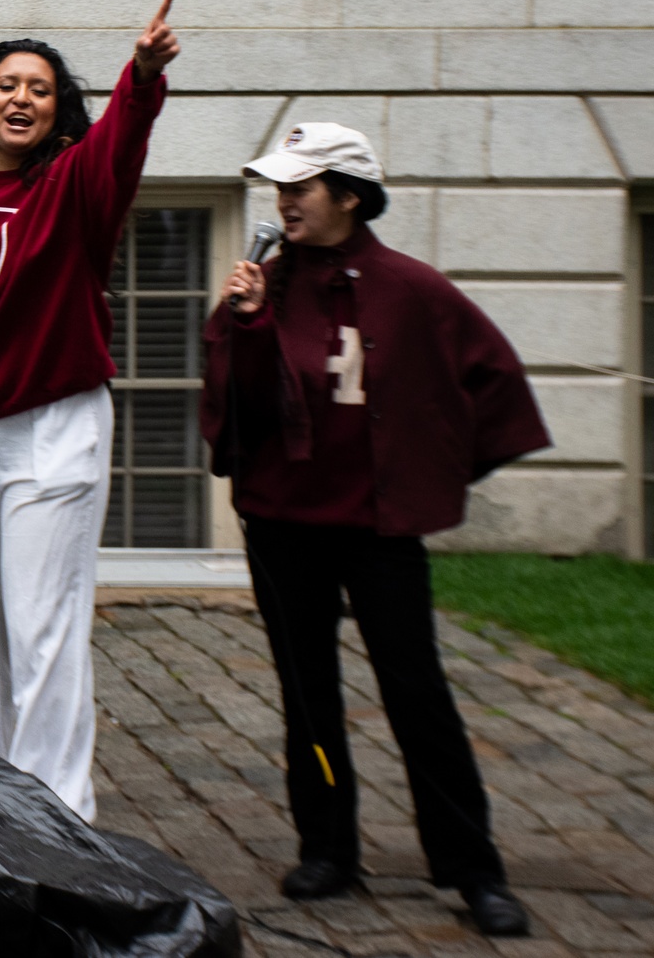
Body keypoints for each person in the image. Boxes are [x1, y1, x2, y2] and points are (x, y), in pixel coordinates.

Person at [202, 123, 545, 937]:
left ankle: (473, 868)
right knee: (307, 695)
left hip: (382, 531)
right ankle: (328, 846)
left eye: (302, 186)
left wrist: (433, 477)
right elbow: (236, 405)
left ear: (349, 196)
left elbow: (494, 382)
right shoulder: (264, 286)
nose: (284, 200)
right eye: (279, 187)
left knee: (417, 693)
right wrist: (246, 321)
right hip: (284, 525)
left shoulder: (414, 288)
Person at [0, 0, 181, 823]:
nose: (21, 98)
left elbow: (121, 145)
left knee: (41, 630)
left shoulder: (75, 184)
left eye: (40, 89)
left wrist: (143, 77)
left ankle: (55, 817)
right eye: (7, 84)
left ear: (59, 113)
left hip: (53, 427)